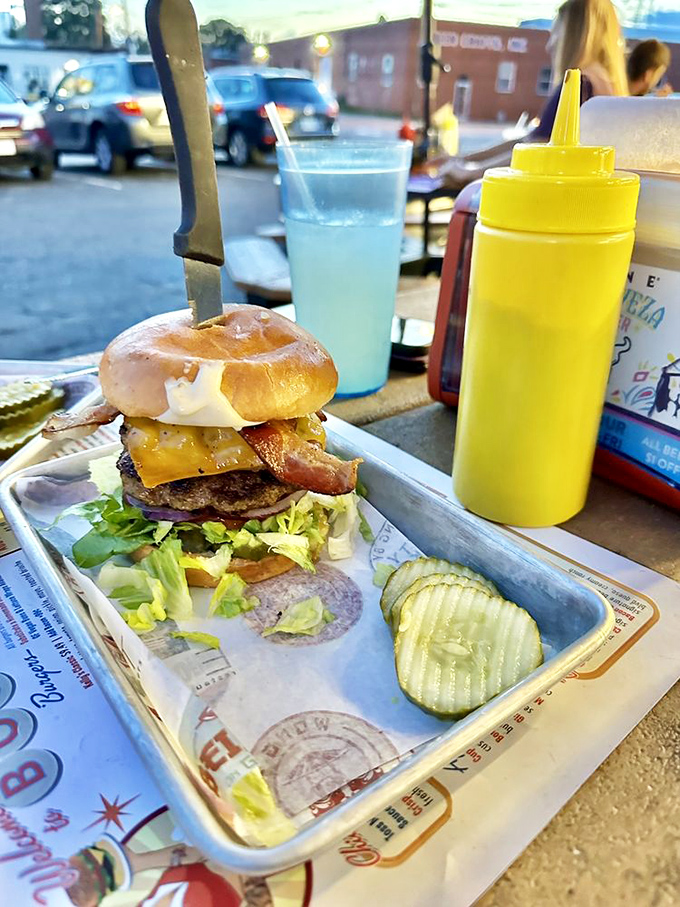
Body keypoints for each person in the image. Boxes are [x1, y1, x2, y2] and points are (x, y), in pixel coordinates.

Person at [438, 0, 627, 187]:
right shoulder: (608, 87)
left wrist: (473, 173)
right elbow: (530, 140)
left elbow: (539, 149)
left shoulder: (579, 84)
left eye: (555, 35)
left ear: (573, 35)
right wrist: (466, 160)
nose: (550, 46)